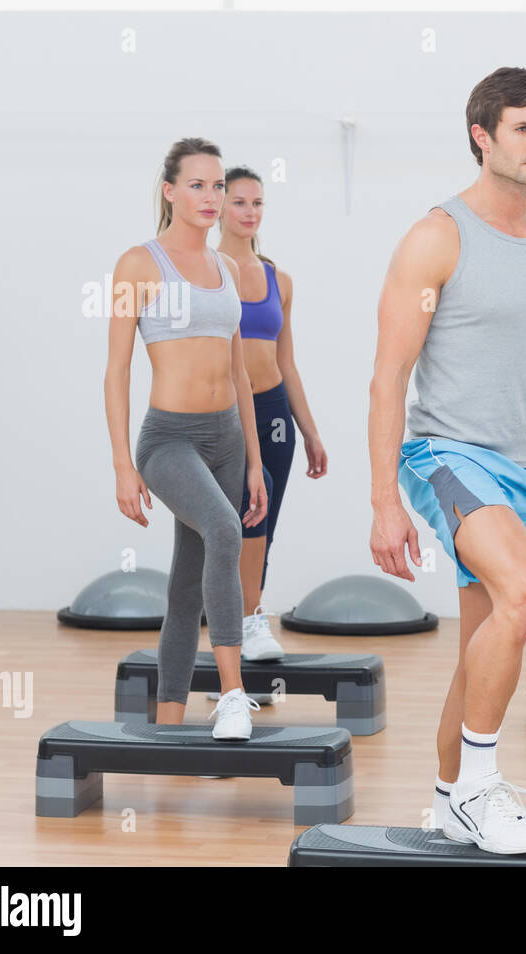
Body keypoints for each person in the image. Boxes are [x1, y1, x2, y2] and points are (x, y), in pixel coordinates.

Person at [368, 67, 526, 854]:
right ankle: (482, 785)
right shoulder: (437, 236)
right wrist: (384, 500)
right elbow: (389, 376)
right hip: (447, 454)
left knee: (491, 638)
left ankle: (448, 799)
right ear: (483, 134)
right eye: (523, 129)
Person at [104, 136, 268, 741]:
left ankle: (168, 723)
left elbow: (239, 373)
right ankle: (232, 694)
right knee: (225, 530)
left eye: (218, 185)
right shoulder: (138, 264)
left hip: (227, 436)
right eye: (197, 185)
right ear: (170, 191)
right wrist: (124, 465)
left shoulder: (227, 269)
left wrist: (253, 460)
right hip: (168, 440)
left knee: (186, 581)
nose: (211, 196)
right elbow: (116, 369)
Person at [214, 165, 328, 666]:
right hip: (224, 410)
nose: (249, 212)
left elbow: (287, 360)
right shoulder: (205, 270)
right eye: (239, 202)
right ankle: (237, 621)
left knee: (264, 521)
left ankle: (250, 619)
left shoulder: (278, 279)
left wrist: (312, 431)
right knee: (237, 520)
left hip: (274, 409)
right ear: (218, 206)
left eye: (257, 203)